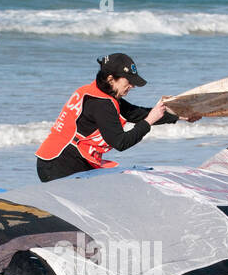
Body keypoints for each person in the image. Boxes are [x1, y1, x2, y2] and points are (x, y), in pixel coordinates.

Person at [35, 53, 199, 182]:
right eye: (129, 81)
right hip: (60, 165)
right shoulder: (101, 104)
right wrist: (148, 122)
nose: (132, 86)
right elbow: (121, 142)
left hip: (60, 160)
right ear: (110, 79)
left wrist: (178, 115)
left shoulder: (98, 93)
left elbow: (136, 113)